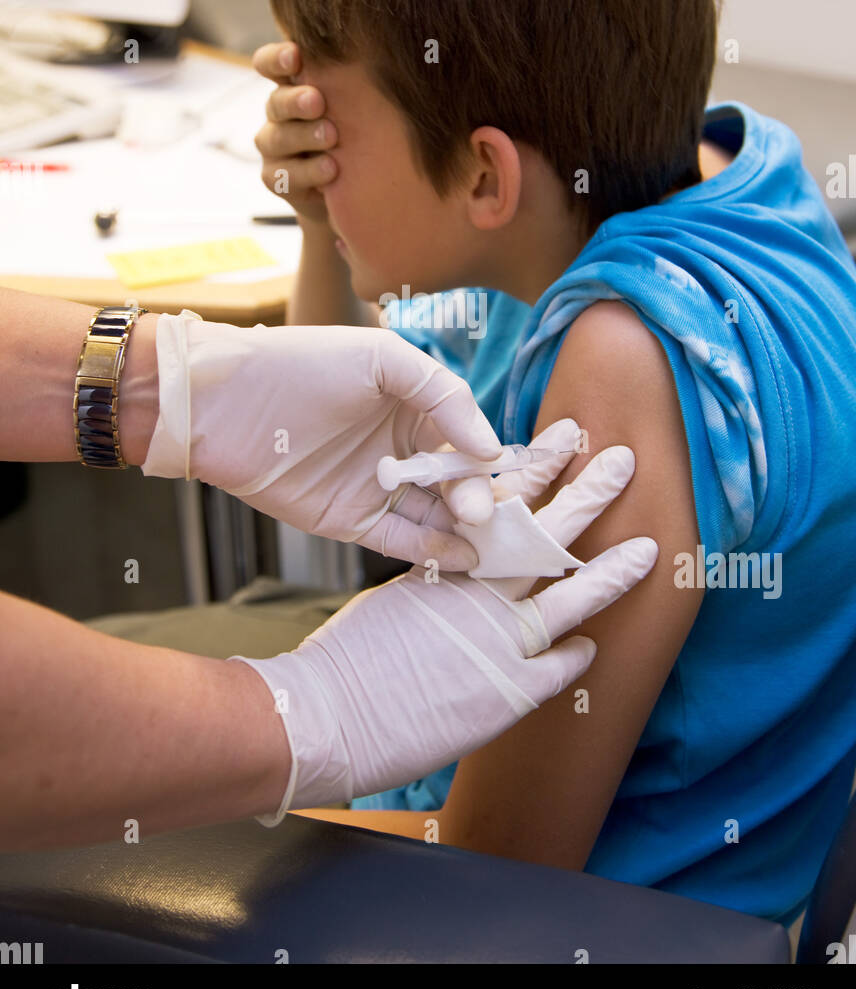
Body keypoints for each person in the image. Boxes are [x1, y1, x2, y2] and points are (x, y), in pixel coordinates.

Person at [253, 0, 856, 928]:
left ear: (485, 178)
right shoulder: (725, 174)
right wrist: (322, 217)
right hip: (590, 868)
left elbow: (496, 864)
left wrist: (213, 815)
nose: (301, 139)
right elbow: (351, 428)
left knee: (118, 809)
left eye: (332, 120)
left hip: (594, 926)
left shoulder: (625, 360)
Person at [0, 282, 657, 850]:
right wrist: (315, 714)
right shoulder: (622, 336)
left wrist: (166, 385)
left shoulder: (620, 346)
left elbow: (506, 849)